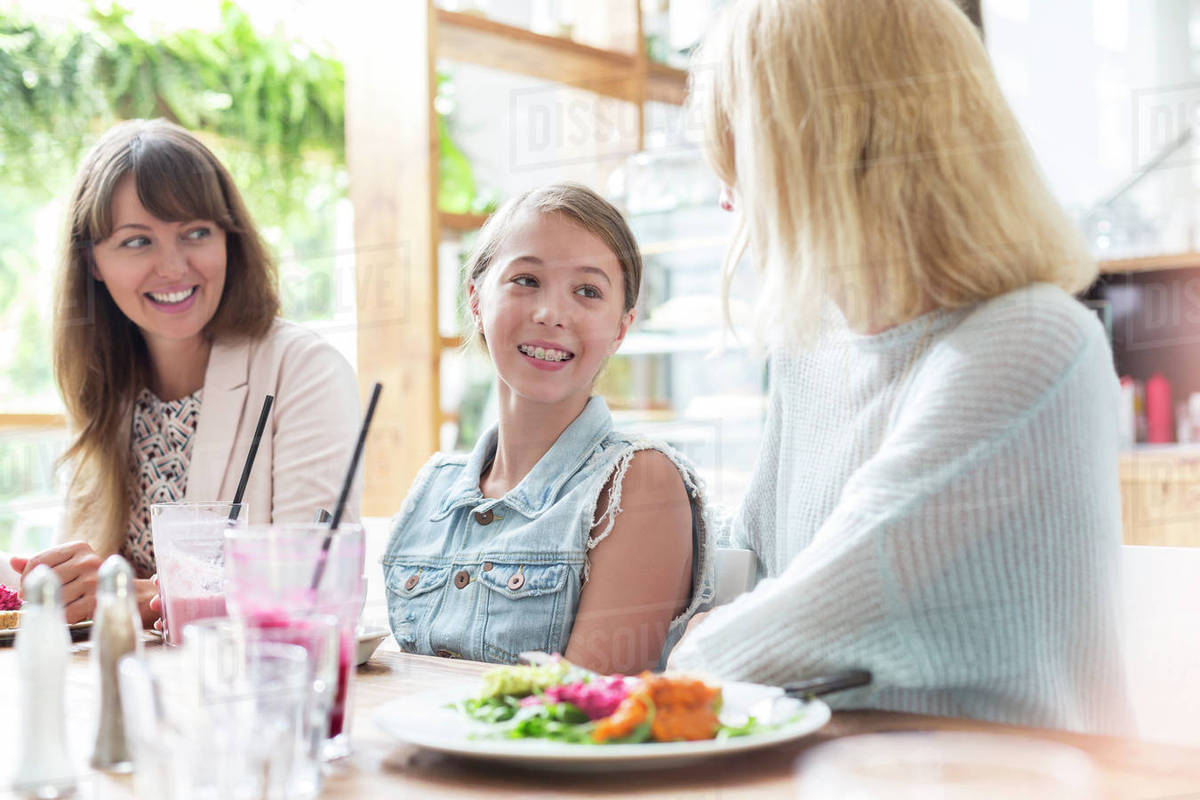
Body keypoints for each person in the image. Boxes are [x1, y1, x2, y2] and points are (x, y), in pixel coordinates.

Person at [667, 0, 1132, 735]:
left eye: (745, 162)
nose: (727, 200)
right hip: (831, 769)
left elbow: (801, 617)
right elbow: (751, 566)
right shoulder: (812, 344)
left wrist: (682, 654)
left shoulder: (1032, 341)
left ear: (834, 155)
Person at [6, 119, 361, 625]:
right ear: (92, 262)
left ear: (228, 241)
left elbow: (316, 582)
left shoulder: (303, 370)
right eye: (136, 242)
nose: (173, 267)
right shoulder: (105, 383)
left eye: (196, 233)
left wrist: (133, 594)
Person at [383, 183, 713, 674]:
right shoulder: (432, 488)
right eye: (526, 280)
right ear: (476, 300)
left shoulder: (639, 483)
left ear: (621, 328)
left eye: (587, 291)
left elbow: (582, 717)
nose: (551, 314)